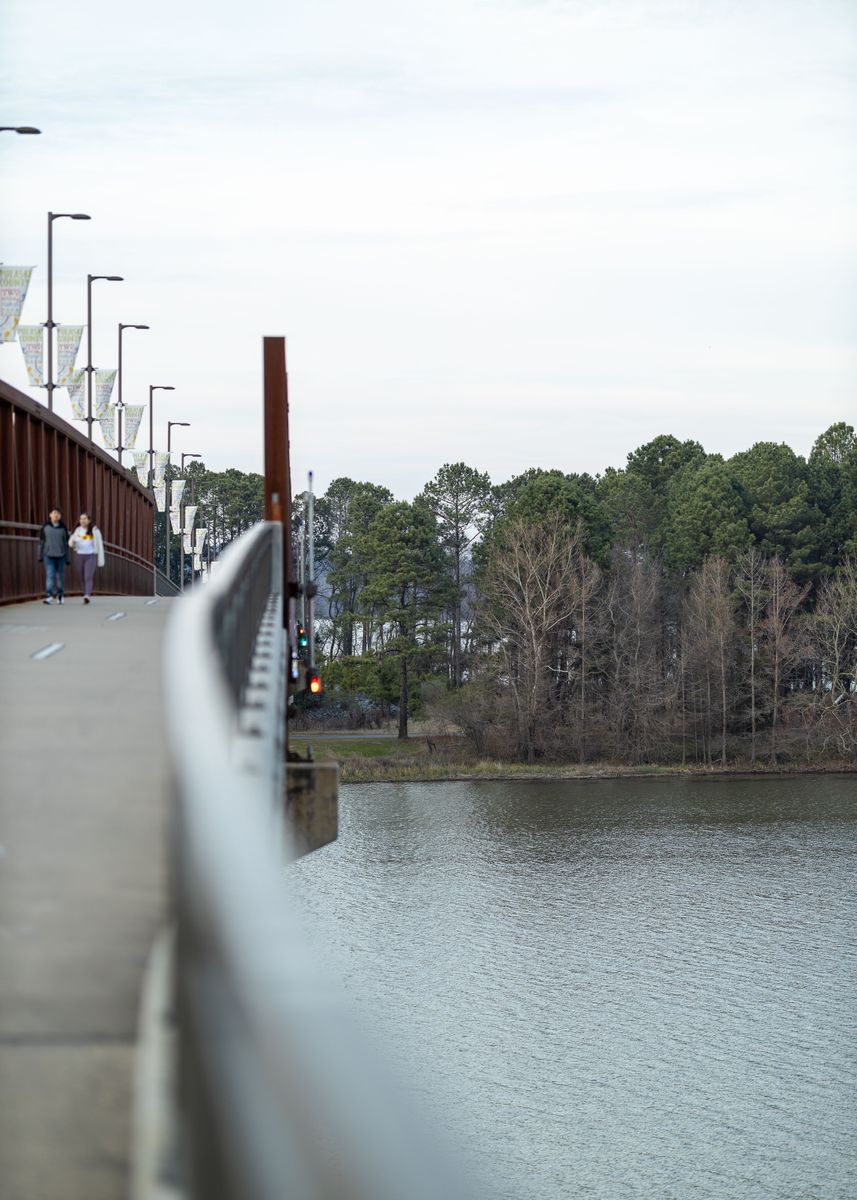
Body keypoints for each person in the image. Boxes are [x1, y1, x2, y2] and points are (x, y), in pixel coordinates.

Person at [68, 512, 105, 604]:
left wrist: (101, 559)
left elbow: (100, 545)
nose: (82, 521)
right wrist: (72, 543)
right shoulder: (77, 530)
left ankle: (87, 595)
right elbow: (71, 542)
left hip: (90, 556)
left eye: (84, 519)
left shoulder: (95, 531)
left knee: (88, 576)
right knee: (81, 577)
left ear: (89, 520)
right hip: (79, 556)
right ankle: (85, 593)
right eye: (81, 519)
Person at [39, 508, 70, 604]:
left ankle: (60, 595)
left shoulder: (63, 528)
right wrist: (40, 555)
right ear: (50, 515)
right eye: (54, 513)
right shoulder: (45, 527)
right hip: (48, 554)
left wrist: (67, 558)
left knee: (59, 576)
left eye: (58, 513)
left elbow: (66, 543)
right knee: (50, 575)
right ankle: (49, 595)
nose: (56, 515)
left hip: (60, 555)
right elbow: (41, 541)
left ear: (60, 516)